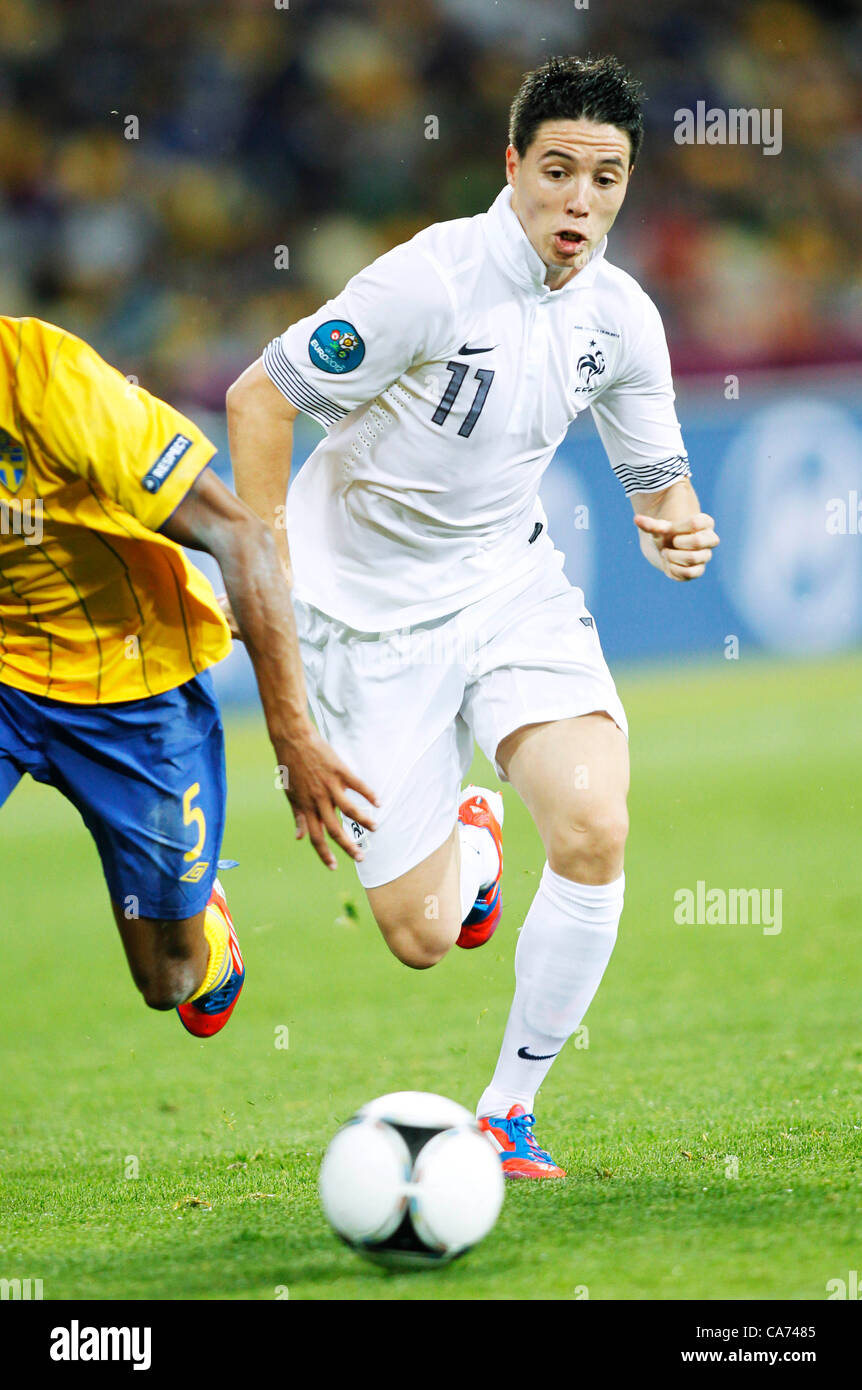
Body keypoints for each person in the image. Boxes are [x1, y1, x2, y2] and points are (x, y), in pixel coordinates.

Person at [225, 55, 719, 1175]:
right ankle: (473, 846)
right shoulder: (426, 285)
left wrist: (676, 530)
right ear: (511, 165)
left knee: (594, 824)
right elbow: (262, 394)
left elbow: (659, 490)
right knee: (420, 939)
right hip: (363, 624)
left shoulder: (620, 320)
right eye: (557, 171)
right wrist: (266, 563)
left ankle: (507, 1112)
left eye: (606, 178)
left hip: (506, 590)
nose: (579, 202)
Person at [0, 316, 375, 1038]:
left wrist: (292, 738)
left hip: (134, 685)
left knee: (169, 981)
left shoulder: (52, 382)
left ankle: (204, 927)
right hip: (8, 669)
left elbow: (240, 535)